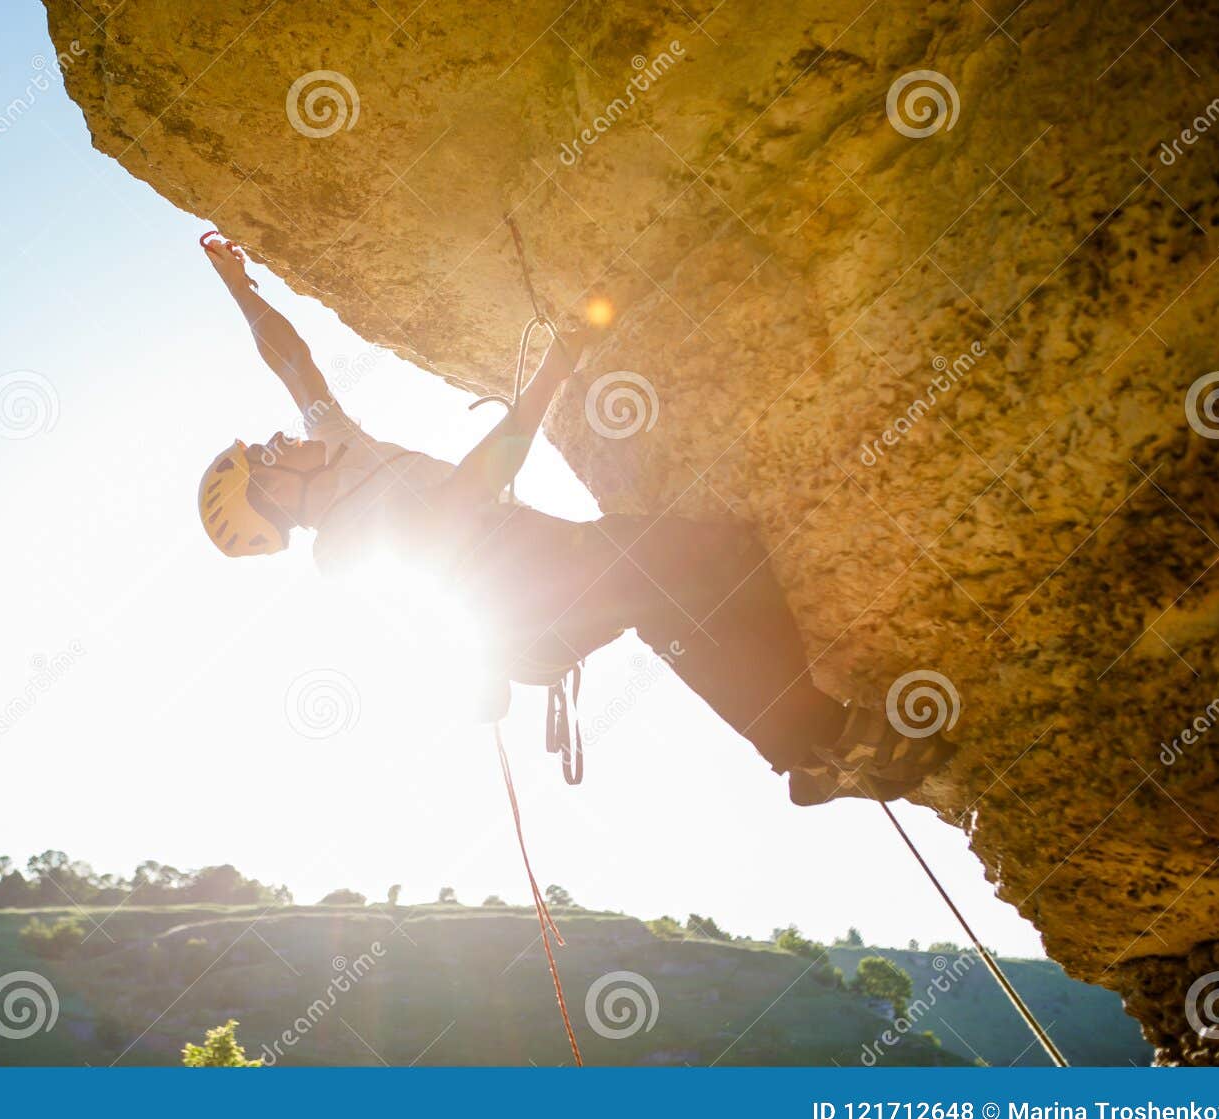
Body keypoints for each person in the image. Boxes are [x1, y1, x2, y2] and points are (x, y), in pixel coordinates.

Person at [196, 231, 952, 804]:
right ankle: (814, 742)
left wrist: (237, 285)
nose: (278, 439)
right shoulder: (345, 548)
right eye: (266, 455)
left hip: (534, 580)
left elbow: (292, 362)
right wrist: (552, 370)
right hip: (522, 614)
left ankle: (810, 751)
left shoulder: (339, 444)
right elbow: (474, 487)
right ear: (274, 502)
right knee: (655, 563)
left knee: (688, 574)